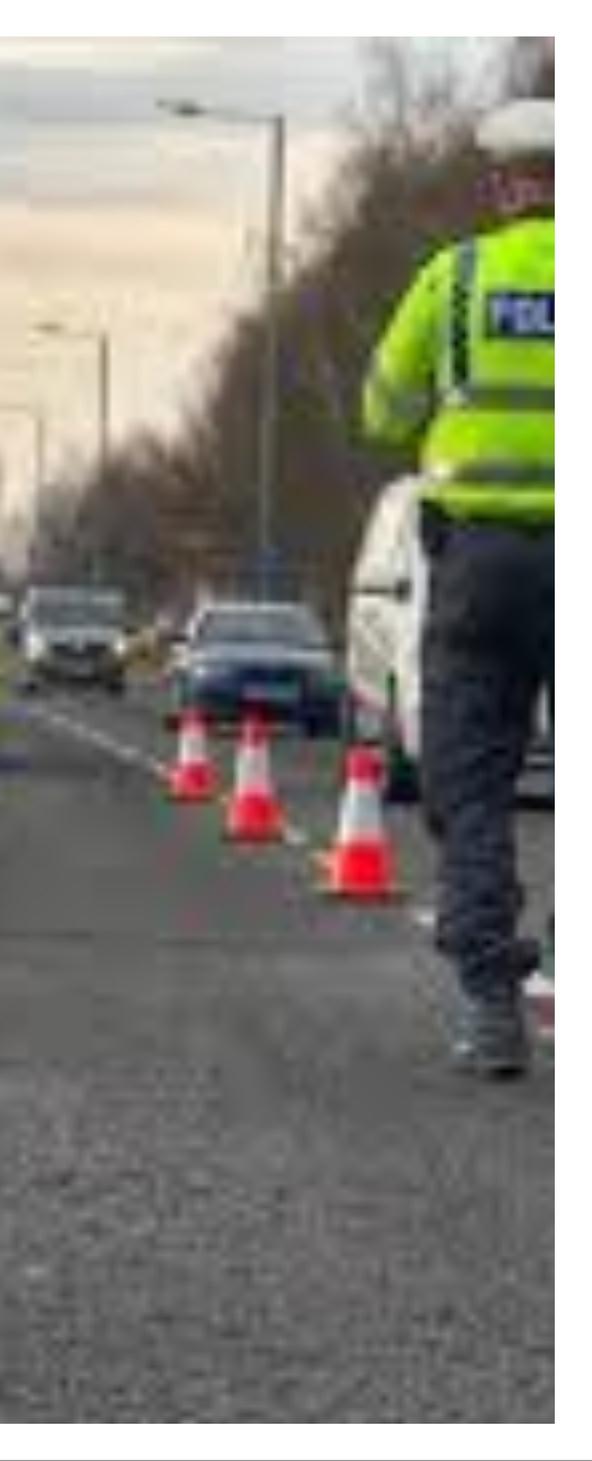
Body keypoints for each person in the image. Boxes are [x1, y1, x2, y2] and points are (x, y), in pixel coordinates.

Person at [361, 97, 554, 1079]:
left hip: (479, 565)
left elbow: (379, 405)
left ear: (500, 184)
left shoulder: (457, 276)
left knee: (467, 781)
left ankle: (490, 1006)